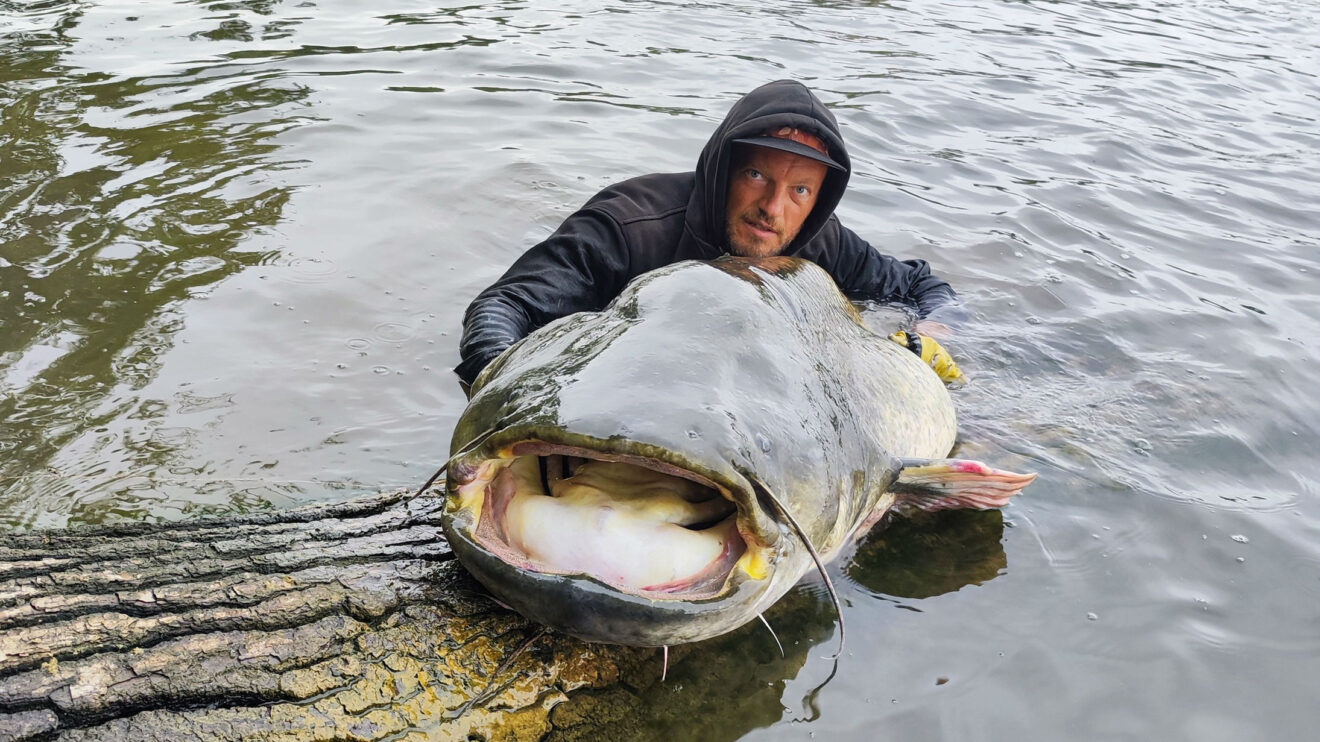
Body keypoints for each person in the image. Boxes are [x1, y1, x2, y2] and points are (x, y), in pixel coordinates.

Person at [456, 79, 963, 390]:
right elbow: (504, 306)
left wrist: (933, 334)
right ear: (723, 168)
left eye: (801, 191)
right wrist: (509, 383)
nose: (773, 209)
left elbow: (925, 287)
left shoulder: (820, 241)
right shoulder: (629, 228)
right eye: (757, 176)